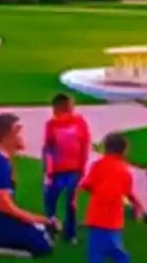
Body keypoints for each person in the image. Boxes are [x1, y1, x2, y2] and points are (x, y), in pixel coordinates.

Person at [0, 113, 56, 258]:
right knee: (41, 242)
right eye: (18, 133)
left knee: (39, 229)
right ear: (10, 135)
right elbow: (4, 206)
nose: (22, 137)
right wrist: (35, 218)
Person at [79, 132, 144, 262]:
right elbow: (127, 192)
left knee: (96, 252)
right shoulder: (125, 171)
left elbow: (86, 185)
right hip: (113, 218)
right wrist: (137, 205)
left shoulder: (98, 165)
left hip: (96, 217)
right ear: (123, 151)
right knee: (116, 250)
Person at [43, 93, 91, 244]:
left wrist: (82, 169)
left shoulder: (78, 122)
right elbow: (48, 148)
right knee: (52, 199)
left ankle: (69, 233)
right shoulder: (52, 125)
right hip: (57, 171)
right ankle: (52, 228)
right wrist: (48, 170)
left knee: (69, 201)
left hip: (72, 170)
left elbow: (84, 145)